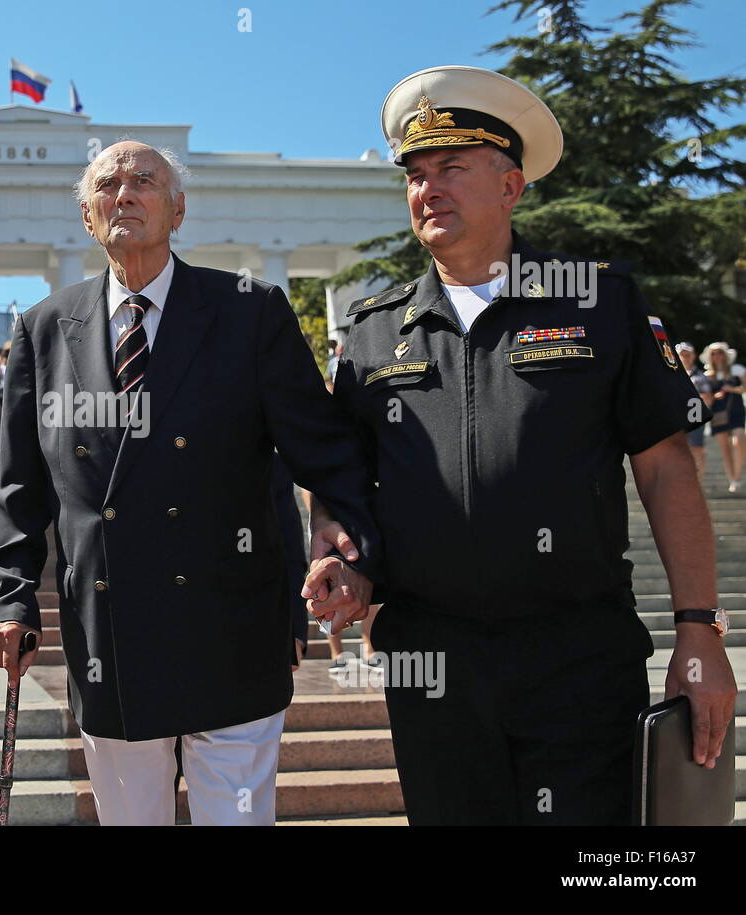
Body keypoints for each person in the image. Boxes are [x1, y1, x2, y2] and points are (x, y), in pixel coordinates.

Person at [314, 66, 736, 825]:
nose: (427, 190)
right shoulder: (374, 332)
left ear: (511, 187)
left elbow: (667, 469)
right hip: (429, 659)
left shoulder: (600, 301)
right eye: (414, 176)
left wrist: (698, 629)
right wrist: (346, 562)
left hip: (576, 652)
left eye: (451, 169)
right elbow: (347, 485)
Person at [0, 140, 379, 826]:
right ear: (87, 215)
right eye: (108, 184)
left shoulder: (250, 312)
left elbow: (324, 450)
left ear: (179, 208)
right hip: (111, 639)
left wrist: (339, 545)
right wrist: (9, 598)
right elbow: (19, 491)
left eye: (145, 181)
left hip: (232, 628)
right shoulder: (43, 331)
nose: (125, 194)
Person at [701, 342, 745, 492]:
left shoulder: (736, 370)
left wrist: (731, 389)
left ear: (725, 355)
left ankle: (737, 476)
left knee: (738, 442)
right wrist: (712, 396)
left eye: (719, 352)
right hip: (718, 414)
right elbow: (706, 396)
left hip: (736, 411)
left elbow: (744, 388)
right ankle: (733, 479)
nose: (717, 356)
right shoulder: (707, 376)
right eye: (713, 353)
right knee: (725, 449)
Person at [677, 342, 713, 481]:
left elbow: (708, 398)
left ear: (693, 356)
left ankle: (698, 480)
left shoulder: (700, 376)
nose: (685, 357)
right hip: (678, 414)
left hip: (695, 412)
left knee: (697, 447)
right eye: (682, 355)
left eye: (687, 354)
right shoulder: (672, 374)